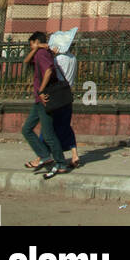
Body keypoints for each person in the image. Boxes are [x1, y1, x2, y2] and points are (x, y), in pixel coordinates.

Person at [20, 31, 69, 179]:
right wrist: (36, 48)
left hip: (43, 98)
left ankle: (60, 162)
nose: (31, 47)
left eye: (31, 44)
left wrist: (41, 90)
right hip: (38, 100)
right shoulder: (40, 52)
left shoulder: (41, 54)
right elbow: (26, 61)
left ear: (36, 41)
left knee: (48, 134)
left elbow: (48, 70)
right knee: (27, 129)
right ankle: (44, 156)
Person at [47, 28, 80, 168]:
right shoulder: (73, 58)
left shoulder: (57, 60)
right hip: (68, 93)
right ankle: (74, 154)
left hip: (57, 94)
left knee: (49, 126)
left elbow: (50, 73)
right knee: (66, 125)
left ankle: (44, 155)